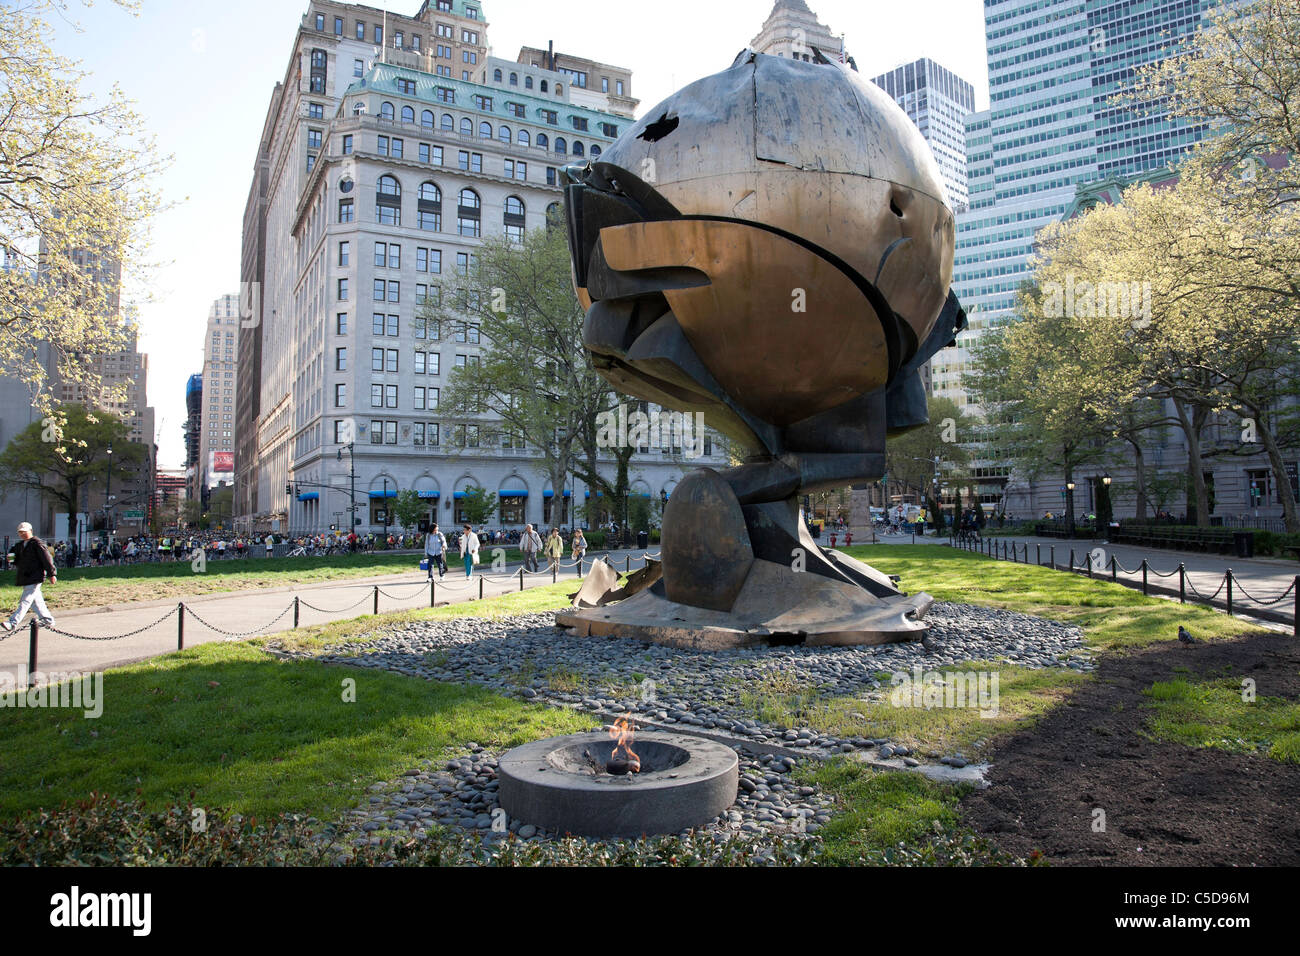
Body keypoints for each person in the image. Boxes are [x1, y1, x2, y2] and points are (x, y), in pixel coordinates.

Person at [3, 522, 57, 631]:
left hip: (35, 576)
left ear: (30, 531)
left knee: (26, 600)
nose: (22, 534)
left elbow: (47, 559)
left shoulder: (38, 544)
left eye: (24, 532)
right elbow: (16, 560)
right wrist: (11, 559)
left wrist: (52, 574)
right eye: (20, 532)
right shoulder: (19, 546)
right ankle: (48, 620)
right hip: (25, 576)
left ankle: (13, 622)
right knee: (36, 601)